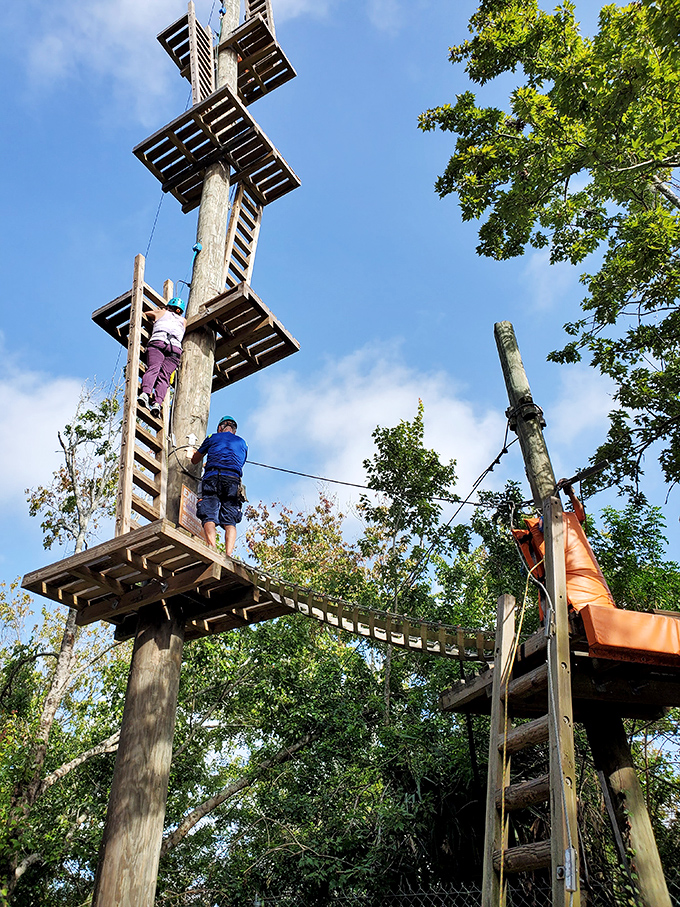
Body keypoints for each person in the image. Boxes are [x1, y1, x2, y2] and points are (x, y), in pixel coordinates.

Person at [191, 416, 247, 556]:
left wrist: (195, 456)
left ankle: (212, 548)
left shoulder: (213, 437)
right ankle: (228, 555)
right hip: (233, 481)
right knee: (230, 520)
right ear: (234, 431)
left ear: (219, 428)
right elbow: (239, 463)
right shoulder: (242, 443)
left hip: (213, 477)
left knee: (208, 514)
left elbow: (195, 460)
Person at [137, 297, 187, 418]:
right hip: (175, 349)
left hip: (158, 342)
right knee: (164, 377)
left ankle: (145, 393)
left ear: (168, 307)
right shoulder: (183, 321)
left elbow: (145, 314)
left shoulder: (161, 312)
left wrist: (158, 312)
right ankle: (157, 404)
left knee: (153, 368)